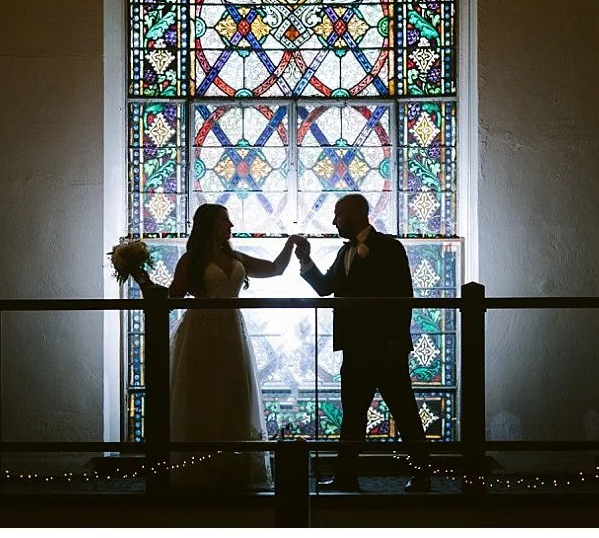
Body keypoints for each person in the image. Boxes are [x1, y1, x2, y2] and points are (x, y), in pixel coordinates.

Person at [290, 193, 431, 492]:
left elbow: (403, 295)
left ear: (355, 215)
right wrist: (305, 259)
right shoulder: (345, 252)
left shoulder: (390, 248)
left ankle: (422, 475)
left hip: (386, 347)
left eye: (338, 215)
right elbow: (325, 288)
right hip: (354, 347)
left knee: (404, 411)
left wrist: (397, 338)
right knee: (352, 414)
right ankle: (346, 476)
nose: (333, 221)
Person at [159, 203, 297, 490]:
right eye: (225, 220)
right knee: (203, 395)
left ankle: (232, 469)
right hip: (201, 330)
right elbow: (174, 295)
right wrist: (144, 281)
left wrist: (291, 244)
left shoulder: (236, 257)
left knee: (233, 393)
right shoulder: (192, 260)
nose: (231, 225)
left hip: (233, 332)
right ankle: (200, 469)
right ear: (210, 225)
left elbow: (275, 269)